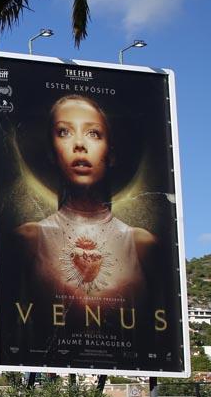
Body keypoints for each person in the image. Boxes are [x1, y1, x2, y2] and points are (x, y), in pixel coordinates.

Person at [16, 93, 154, 304]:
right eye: (64, 132)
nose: (79, 144)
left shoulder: (142, 244)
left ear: (111, 153)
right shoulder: (28, 239)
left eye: (93, 133)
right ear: (52, 152)